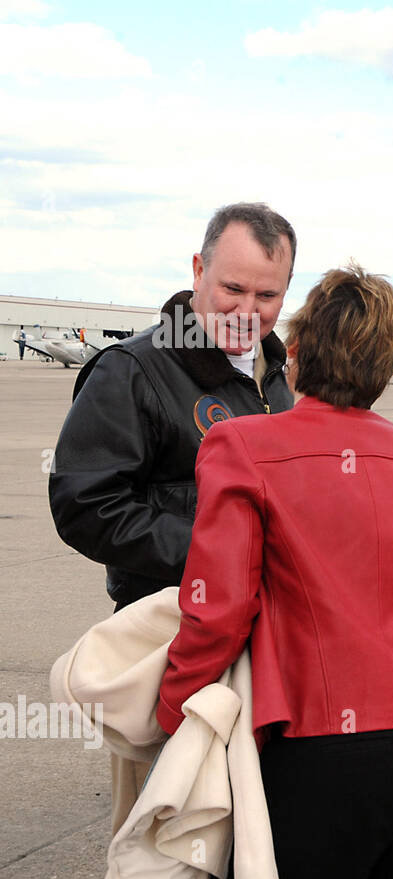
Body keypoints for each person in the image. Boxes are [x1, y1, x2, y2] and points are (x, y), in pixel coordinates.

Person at [156, 264, 393, 879]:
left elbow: (218, 607)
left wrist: (173, 714)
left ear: (294, 351)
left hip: (314, 745)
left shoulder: (241, 443)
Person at [48, 201, 297, 840]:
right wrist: (217, 558)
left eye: (267, 295)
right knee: (165, 854)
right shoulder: (132, 370)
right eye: (231, 288)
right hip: (176, 645)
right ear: (197, 271)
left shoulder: (281, 376)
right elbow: (87, 504)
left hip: (268, 648)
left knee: (254, 850)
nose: (247, 311)